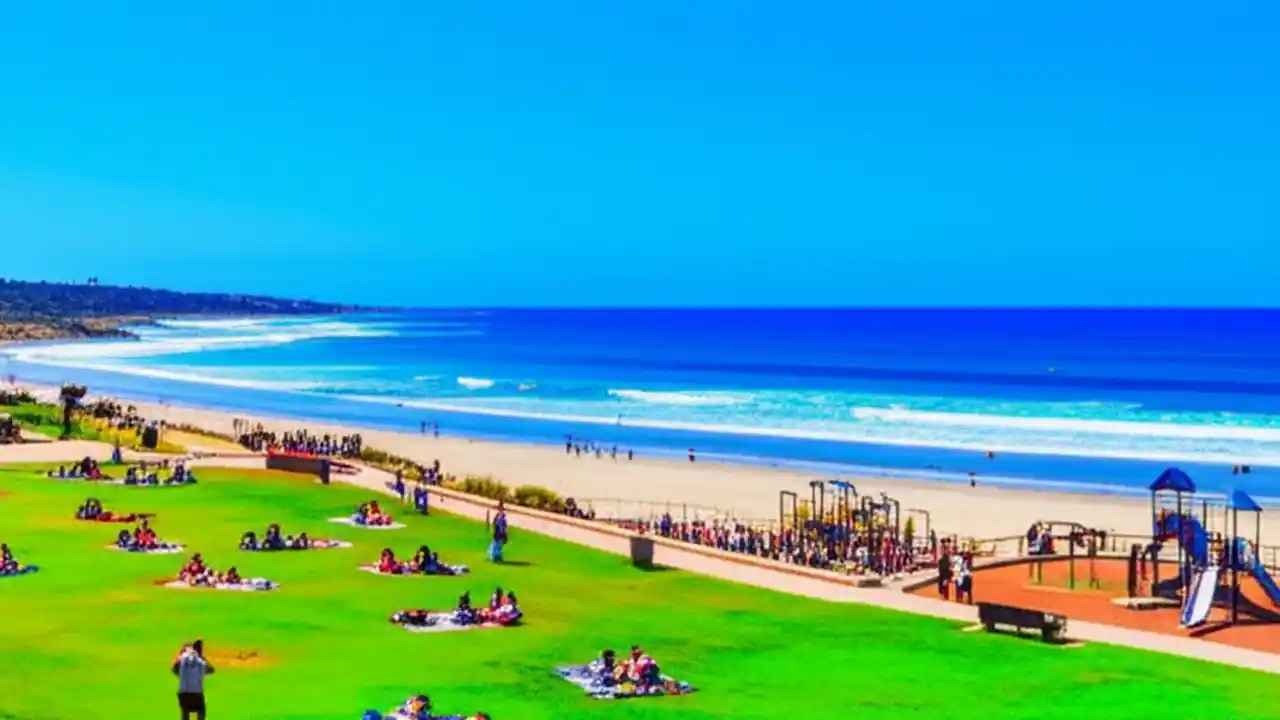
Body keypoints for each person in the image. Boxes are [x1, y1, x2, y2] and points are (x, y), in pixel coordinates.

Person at [172, 639, 215, 720]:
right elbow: (211, 670)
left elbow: (174, 670)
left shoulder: (181, 661)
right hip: (197, 694)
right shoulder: (200, 662)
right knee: (201, 711)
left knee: (185, 714)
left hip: (183, 694)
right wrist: (201, 657)